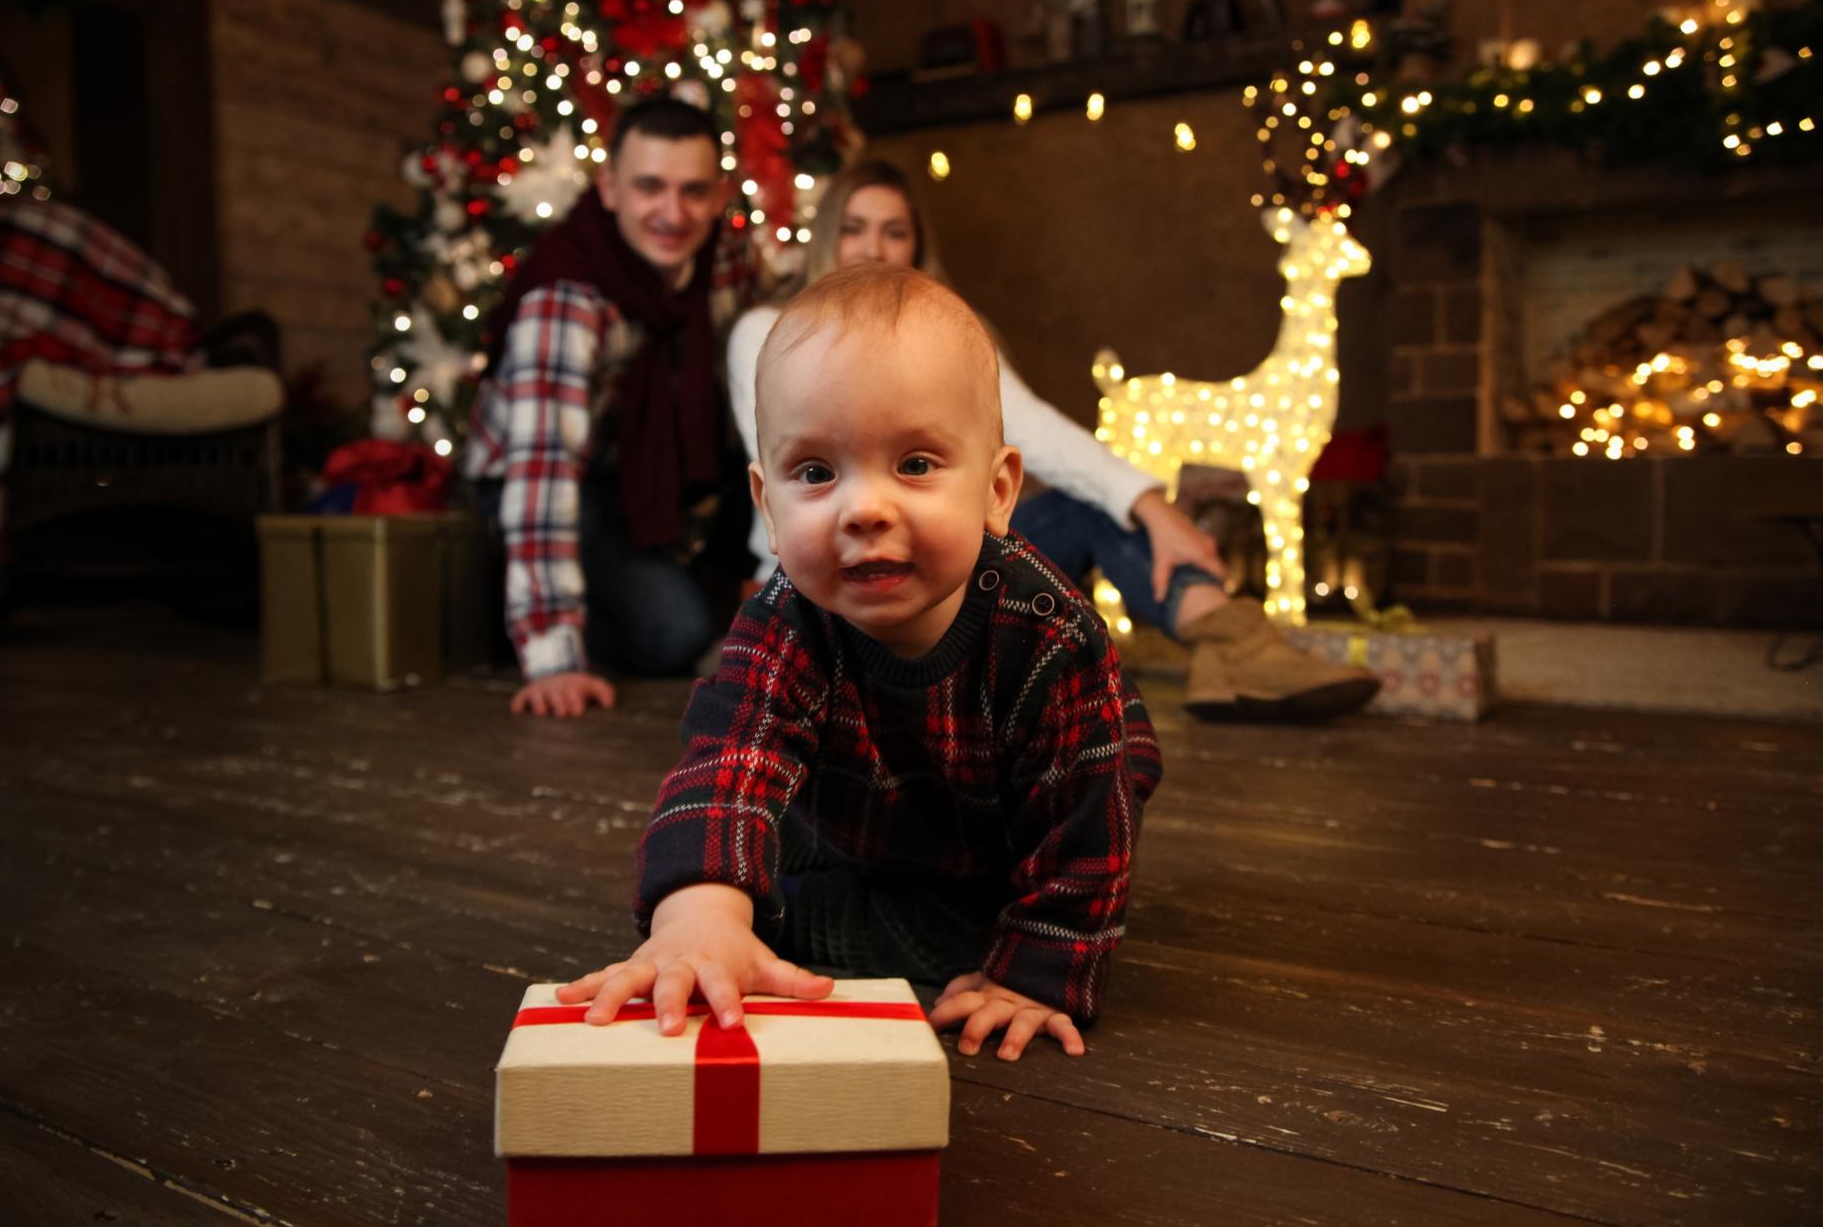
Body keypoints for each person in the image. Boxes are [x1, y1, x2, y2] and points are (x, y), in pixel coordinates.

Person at [559, 264, 1162, 1061]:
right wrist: (698, 918)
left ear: (998, 490)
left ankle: (837, 919)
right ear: (768, 507)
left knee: (971, 928)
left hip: (1007, 831)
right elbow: (729, 762)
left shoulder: (1048, 633)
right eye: (815, 473)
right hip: (859, 807)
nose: (865, 509)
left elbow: (1083, 820)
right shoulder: (782, 620)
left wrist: (1041, 970)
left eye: (915, 464)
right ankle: (760, 912)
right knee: (730, 865)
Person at [726, 160, 1378, 721]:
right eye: (855, 228)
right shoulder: (772, 331)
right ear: (824, 238)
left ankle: (1235, 644)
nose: (873, 247)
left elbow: (1032, 426)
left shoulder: (941, 337)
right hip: (816, 578)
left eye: (894, 232)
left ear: (917, 248)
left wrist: (1150, 505)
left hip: (934, 560)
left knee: (1090, 505)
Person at [464, 98, 754, 718]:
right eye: (650, 187)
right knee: (671, 634)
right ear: (610, 188)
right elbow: (544, 469)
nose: (672, 214)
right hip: (528, 476)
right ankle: (523, 613)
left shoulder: (721, 261)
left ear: (720, 193)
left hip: (626, 473)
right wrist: (554, 662)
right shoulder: (566, 299)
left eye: (694, 191)